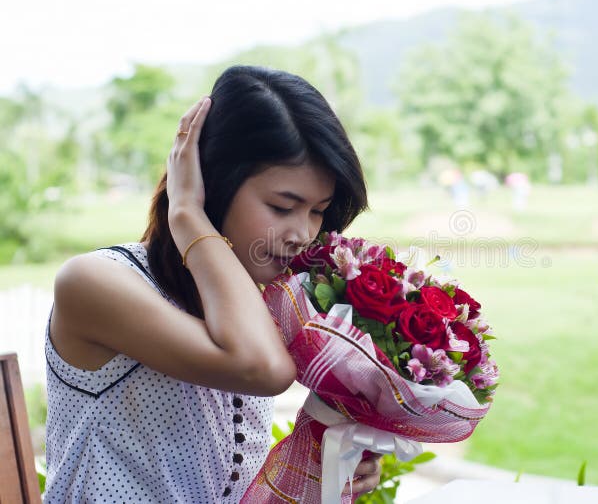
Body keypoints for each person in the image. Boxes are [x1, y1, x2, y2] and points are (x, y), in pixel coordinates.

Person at [43, 66, 382, 502]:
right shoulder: (95, 282)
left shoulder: (259, 301)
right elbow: (265, 369)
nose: (302, 233)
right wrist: (185, 213)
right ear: (213, 185)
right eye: (283, 206)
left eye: (318, 210)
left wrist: (318, 475)